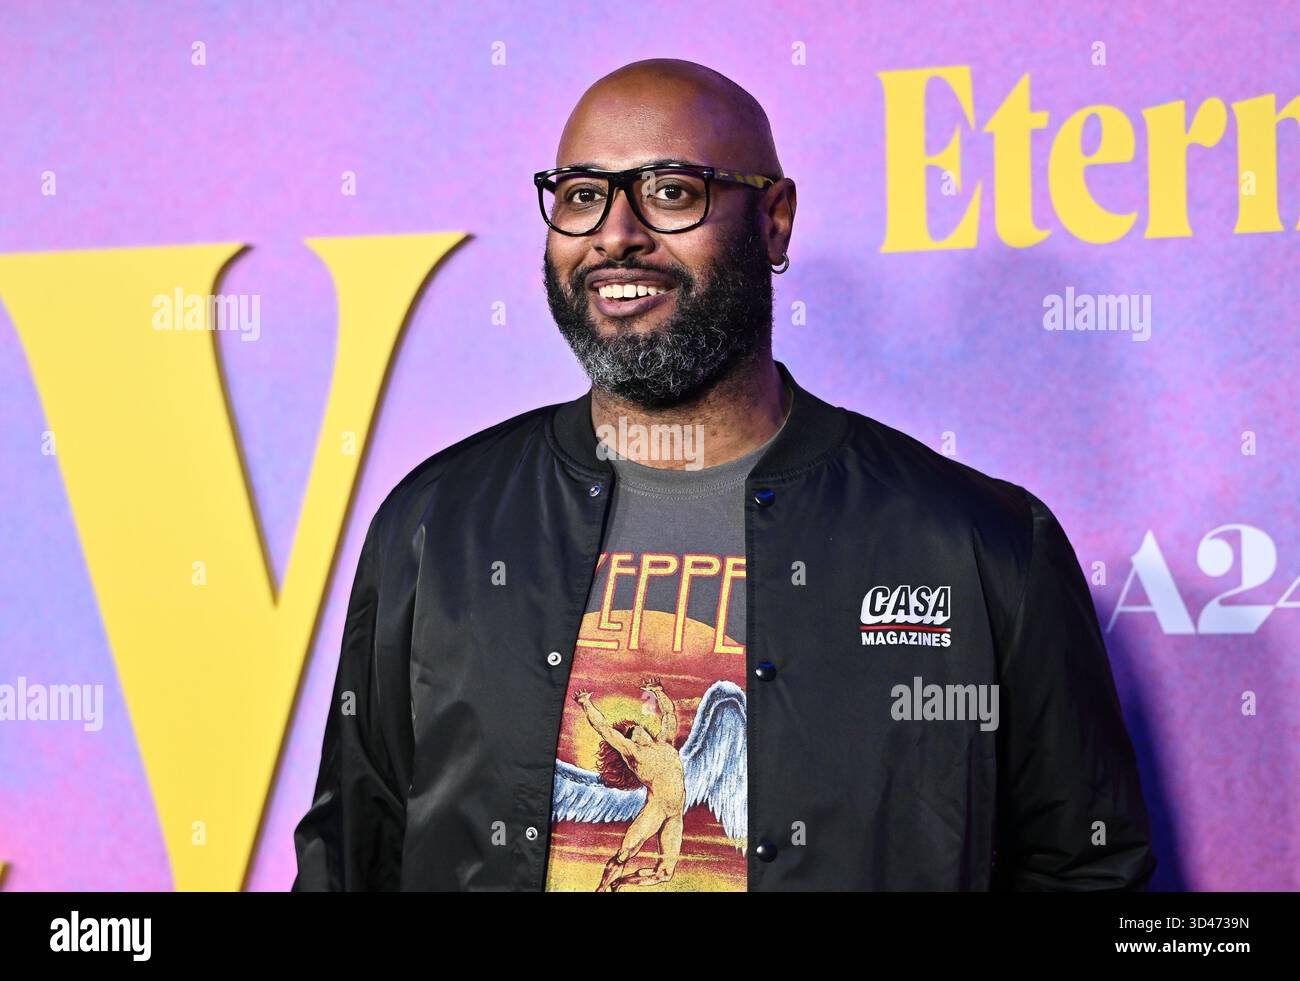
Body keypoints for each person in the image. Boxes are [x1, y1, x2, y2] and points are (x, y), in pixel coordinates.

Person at [292, 57, 1156, 892]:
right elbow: (352, 853)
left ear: (774, 219)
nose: (617, 235)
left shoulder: (977, 543)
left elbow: (1086, 864)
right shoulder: (437, 523)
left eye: (672, 191)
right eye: (583, 196)